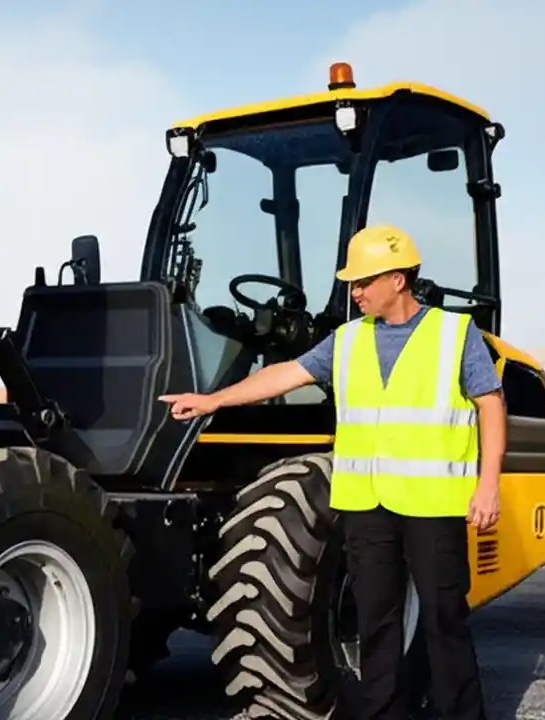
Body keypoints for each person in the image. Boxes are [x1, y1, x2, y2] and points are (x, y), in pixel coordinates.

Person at [158, 224, 502, 720]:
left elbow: (490, 406)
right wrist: (214, 400)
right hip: (365, 507)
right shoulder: (346, 340)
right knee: (376, 626)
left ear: (398, 280)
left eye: (363, 282)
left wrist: (487, 486)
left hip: (433, 506)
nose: (354, 292)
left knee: (443, 621)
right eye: (353, 283)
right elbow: (284, 373)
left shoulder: (453, 335)